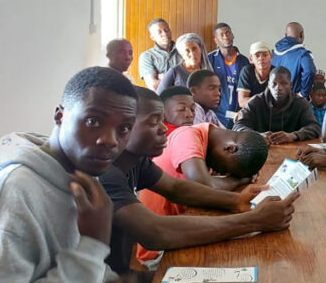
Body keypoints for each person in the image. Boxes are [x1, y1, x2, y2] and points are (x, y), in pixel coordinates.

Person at [0, 67, 137, 282]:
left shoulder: (80, 179)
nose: (110, 140)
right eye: (93, 122)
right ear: (59, 115)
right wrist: (92, 246)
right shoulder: (11, 197)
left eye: (124, 128)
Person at [99, 87, 298, 275]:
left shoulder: (135, 161)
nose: (163, 129)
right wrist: (255, 221)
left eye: (161, 121)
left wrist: (236, 201)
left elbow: (176, 187)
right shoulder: (106, 171)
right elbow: (155, 232)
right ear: (123, 127)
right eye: (153, 122)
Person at [137, 119, 268, 263]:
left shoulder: (212, 138)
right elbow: (203, 183)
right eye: (225, 170)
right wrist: (239, 180)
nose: (222, 172)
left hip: (182, 229)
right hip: (161, 249)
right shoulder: (187, 136)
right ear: (230, 148)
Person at [233, 67, 321, 144]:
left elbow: (315, 128)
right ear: (268, 85)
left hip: (292, 153)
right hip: (260, 152)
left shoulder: (301, 103)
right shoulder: (255, 102)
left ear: (291, 85)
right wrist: (257, 136)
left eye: (283, 83)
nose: (278, 88)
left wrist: (293, 136)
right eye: (274, 84)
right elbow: (238, 126)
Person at [206, 23, 249, 123]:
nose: (225, 36)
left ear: (232, 35)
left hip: (238, 115)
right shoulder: (210, 59)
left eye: (228, 33)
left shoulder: (243, 61)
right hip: (216, 114)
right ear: (216, 40)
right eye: (221, 35)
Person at [271, 22, 316, 99]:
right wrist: (303, 94)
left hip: (273, 99)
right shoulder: (302, 54)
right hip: (292, 101)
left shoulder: (271, 53)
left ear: (285, 35)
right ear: (301, 35)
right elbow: (309, 71)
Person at [138, 18, 182, 92]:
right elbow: (154, 86)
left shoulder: (183, 50)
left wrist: (163, 77)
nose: (165, 34)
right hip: (161, 100)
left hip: (186, 97)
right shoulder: (147, 56)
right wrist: (179, 78)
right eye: (159, 32)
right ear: (152, 37)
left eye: (166, 30)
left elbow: (192, 79)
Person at [237, 41, 275, 109]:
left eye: (265, 55)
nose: (261, 58)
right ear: (251, 59)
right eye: (257, 55)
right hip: (251, 112)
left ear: (271, 57)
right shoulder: (247, 71)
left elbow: (280, 101)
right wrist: (266, 102)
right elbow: (242, 101)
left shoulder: (276, 73)